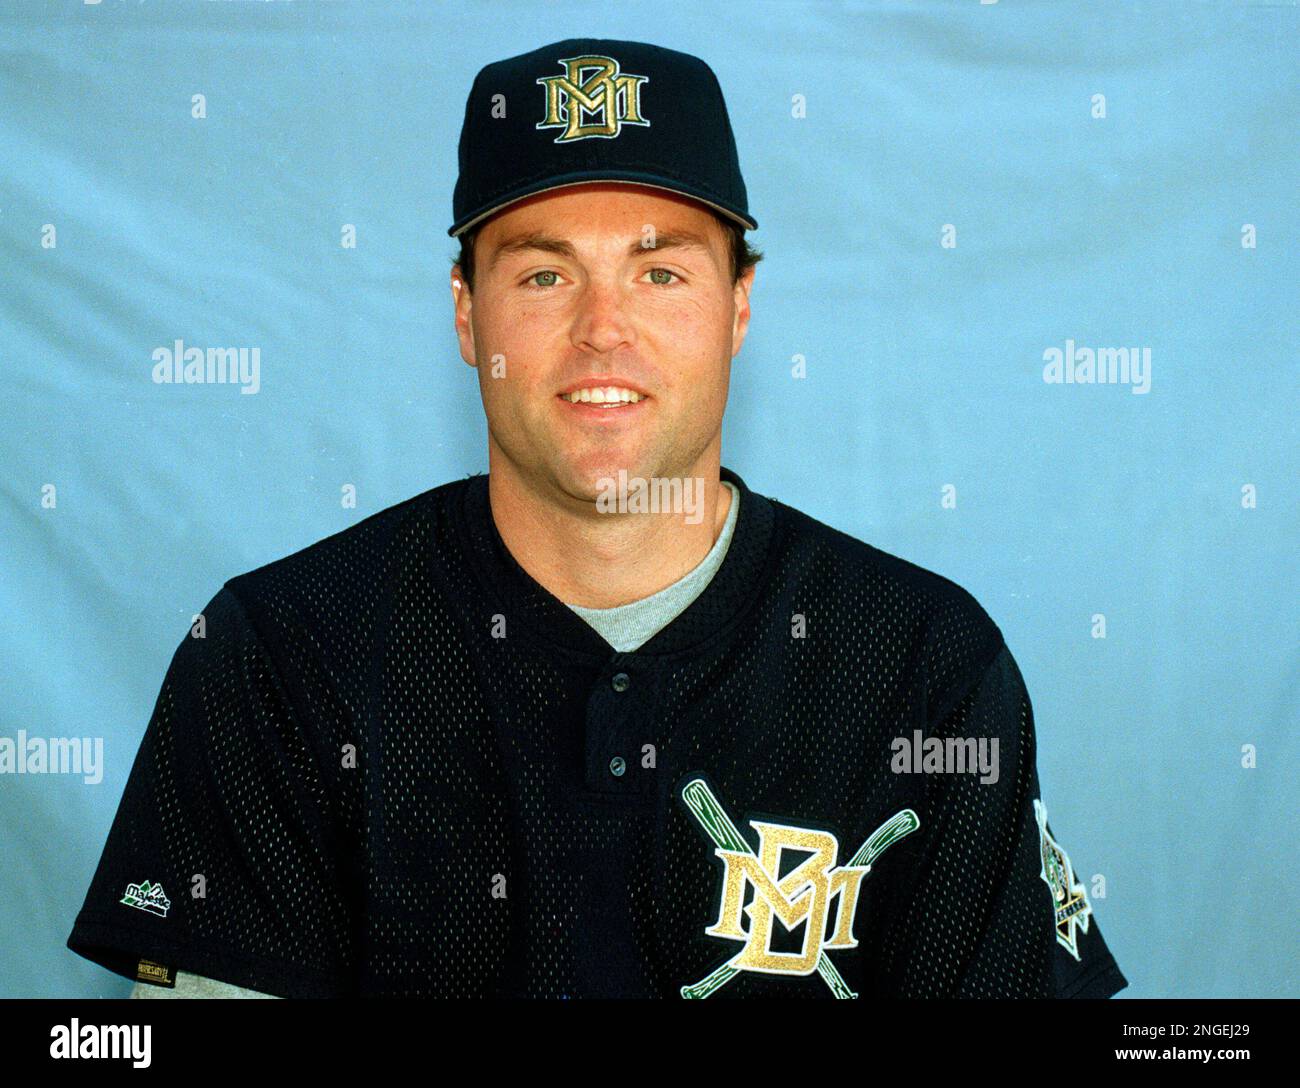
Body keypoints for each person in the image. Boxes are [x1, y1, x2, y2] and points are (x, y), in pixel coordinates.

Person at [67, 37, 1126, 999]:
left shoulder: (920, 663)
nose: (602, 330)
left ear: (739, 308)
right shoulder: (283, 653)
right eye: (542, 272)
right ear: (466, 311)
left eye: (659, 270)